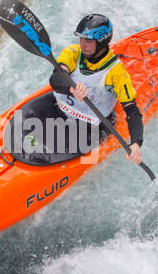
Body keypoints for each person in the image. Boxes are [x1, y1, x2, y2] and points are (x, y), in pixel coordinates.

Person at [43, 14, 144, 164]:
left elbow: (132, 111)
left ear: (102, 42)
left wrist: (136, 143)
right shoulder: (73, 52)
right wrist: (71, 88)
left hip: (90, 126)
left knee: (47, 151)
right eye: (81, 39)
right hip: (58, 110)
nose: (83, 45)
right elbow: (55, 78)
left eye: (88, 41)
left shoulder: (116, 73)